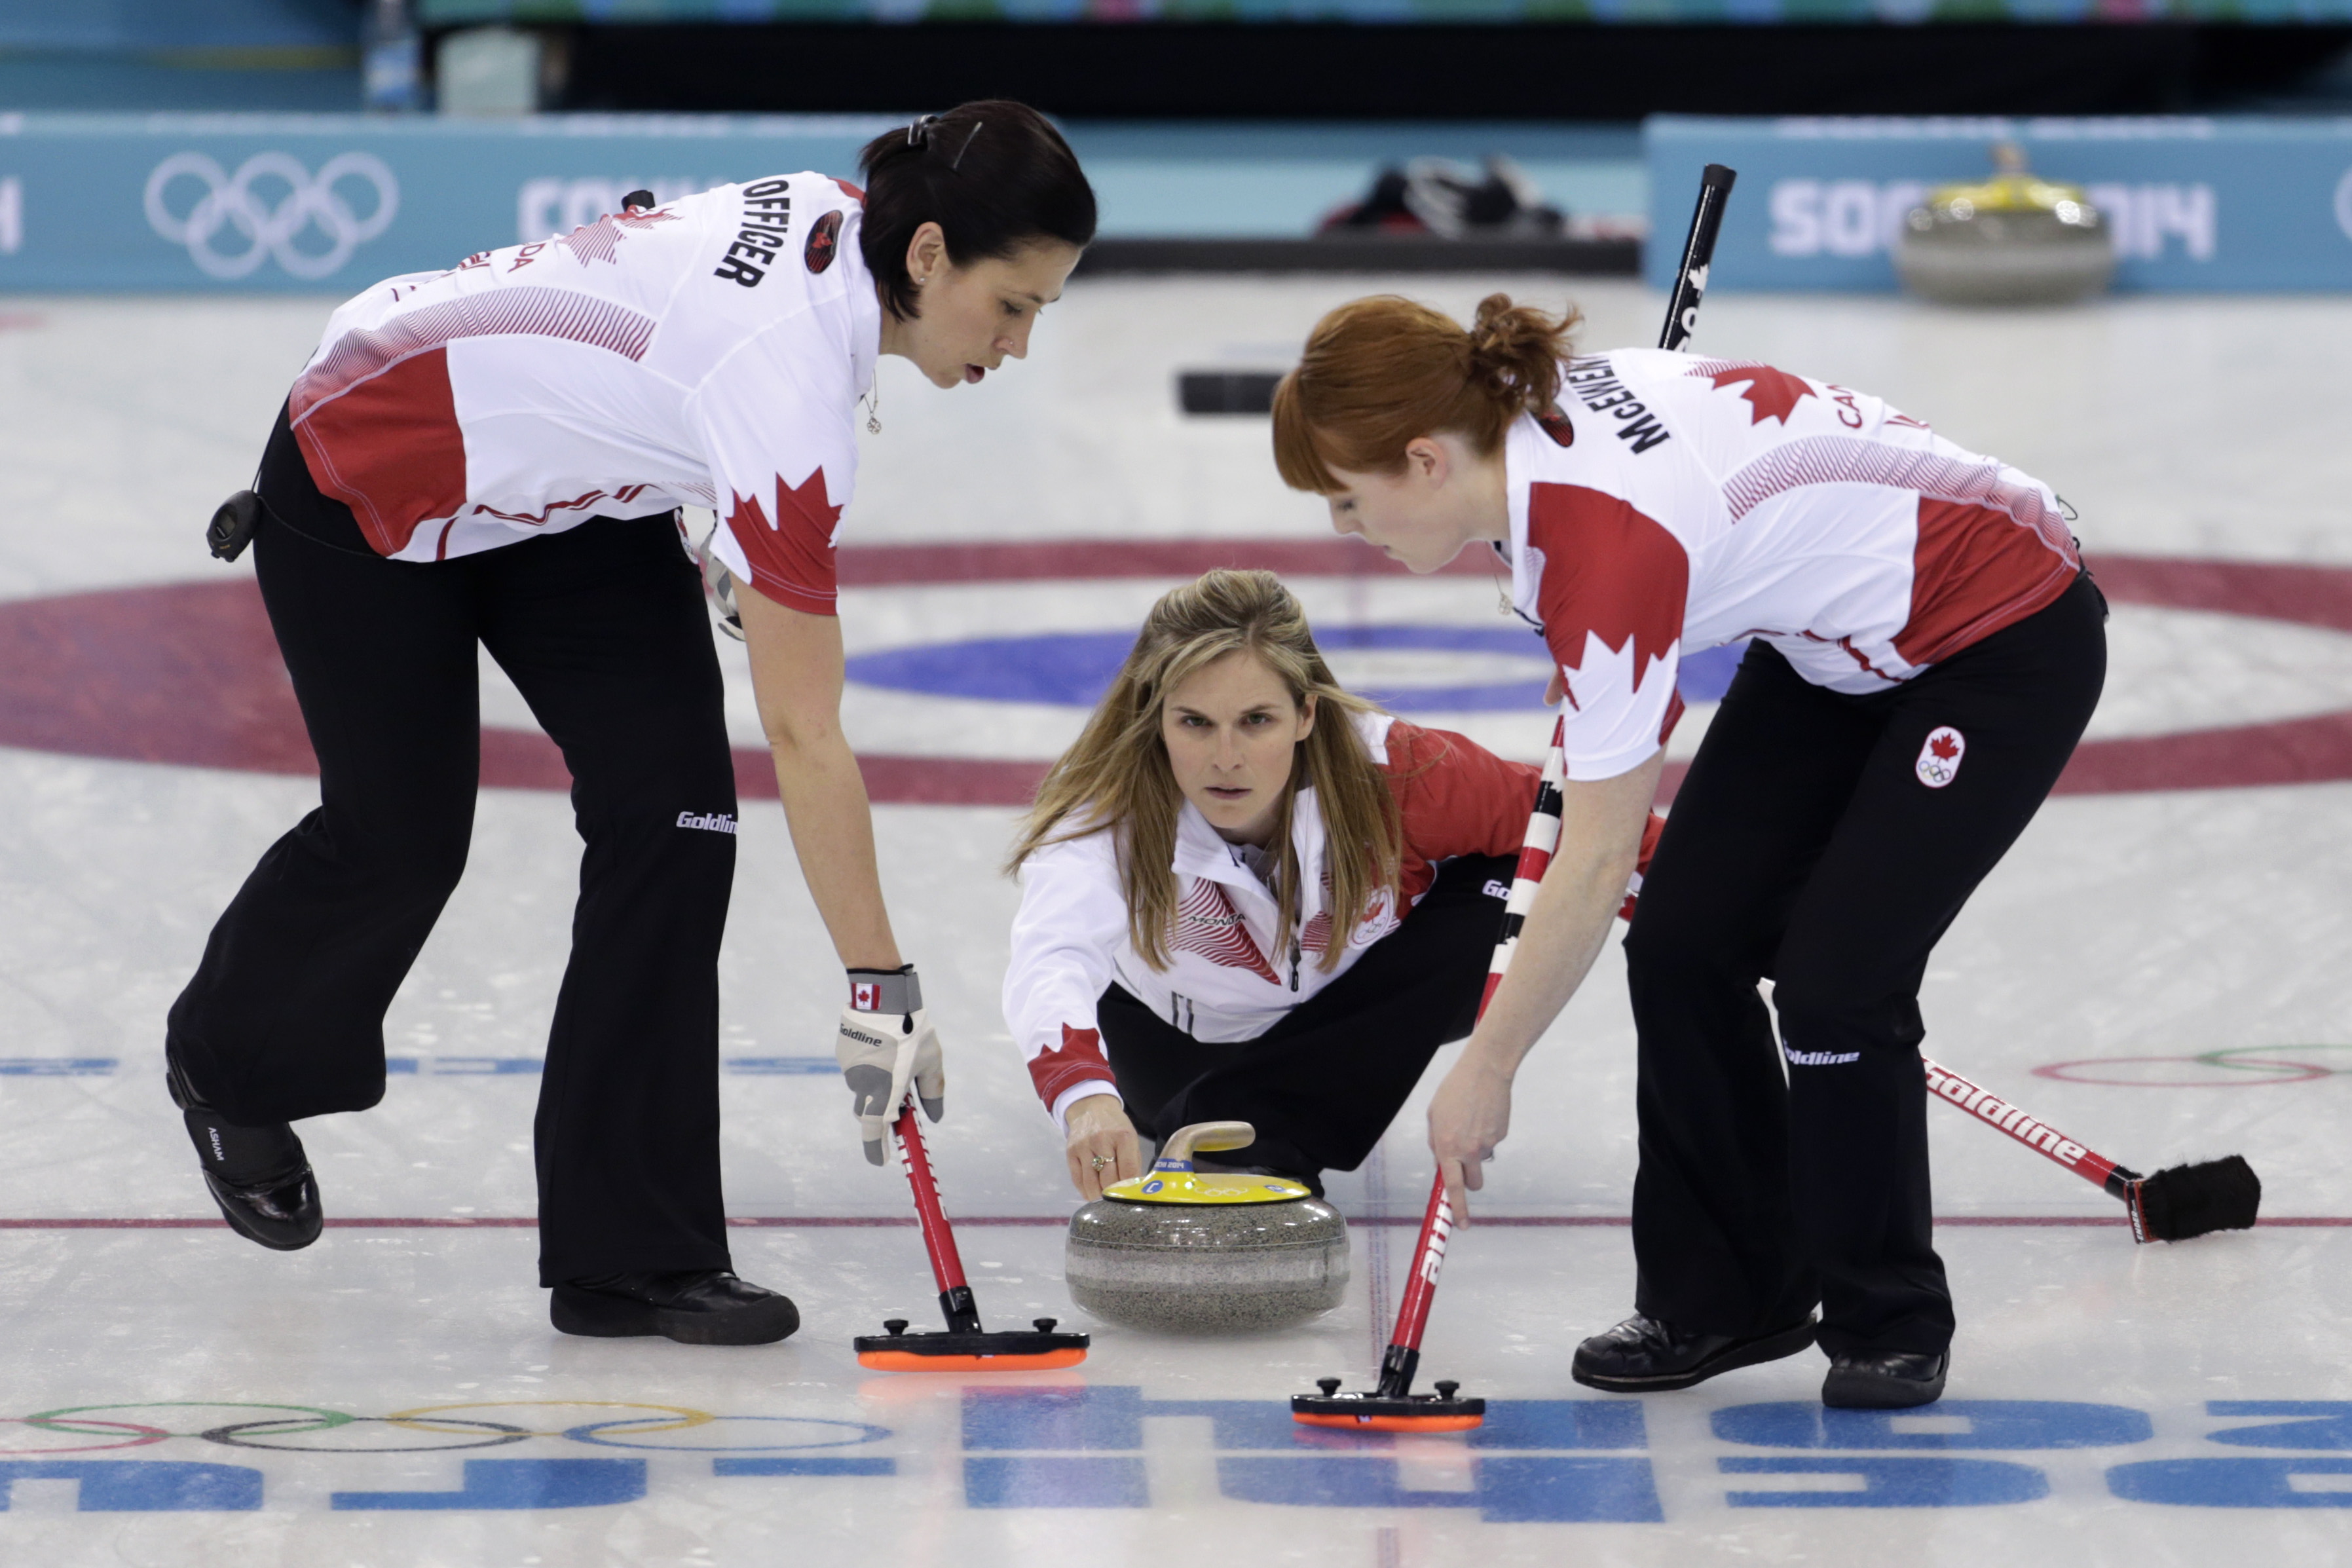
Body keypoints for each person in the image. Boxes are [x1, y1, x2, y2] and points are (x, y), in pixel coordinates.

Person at [164, 102, 1096, 1345]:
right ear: (925, 256)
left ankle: (630, 1255)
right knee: (403, 834)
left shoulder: (850, 217)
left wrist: (711, 547)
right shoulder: (791, 391)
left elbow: (645, 357)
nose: (1022, 344)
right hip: (368, 477)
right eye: (1015, 305)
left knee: (678, 815)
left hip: (564, 506)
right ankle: (227, 1062)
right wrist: (881, 983)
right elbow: (808, 735)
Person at [1271, 295, 2104, 1410]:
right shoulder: (1529, 430)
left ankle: (1888, 1311)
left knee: (1833, 986)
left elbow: (1597, 850)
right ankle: (1730, 1292)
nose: (1342, 527)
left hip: (2000, 635)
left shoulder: (1605, 551)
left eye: (1344, 496)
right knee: (1681, 945)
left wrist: (1490, 1063)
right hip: (1832, 646)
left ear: (1423, 459)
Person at [1001, 569, 1658, 1201]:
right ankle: (1241, 1122)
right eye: (1195, 722)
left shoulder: (1398, 772)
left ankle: (1264, 1133)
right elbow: (1052, 954)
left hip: (1350, 1021)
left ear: (1307, 713)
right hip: (1174, 1051)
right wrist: (1084, 1096)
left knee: (1519, 878)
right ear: (1156, 715)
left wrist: (1731, 942)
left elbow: (1604, 839)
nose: (1225, 757)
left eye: (1257, 720)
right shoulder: (1106, 809)